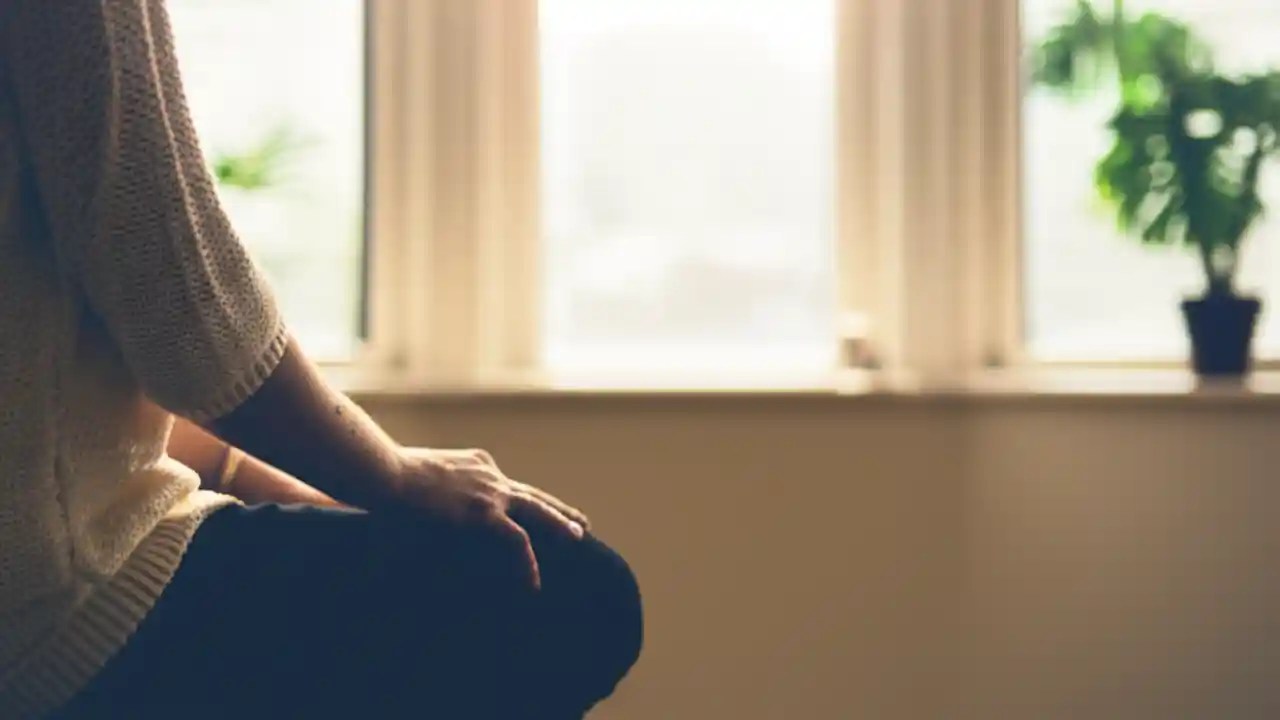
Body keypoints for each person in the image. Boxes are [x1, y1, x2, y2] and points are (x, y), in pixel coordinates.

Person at [0, 0, 643, 717]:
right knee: (570, 597)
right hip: (53, 618)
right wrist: (392, 473)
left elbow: (39, 365)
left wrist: (275, 480)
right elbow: (178, 298)